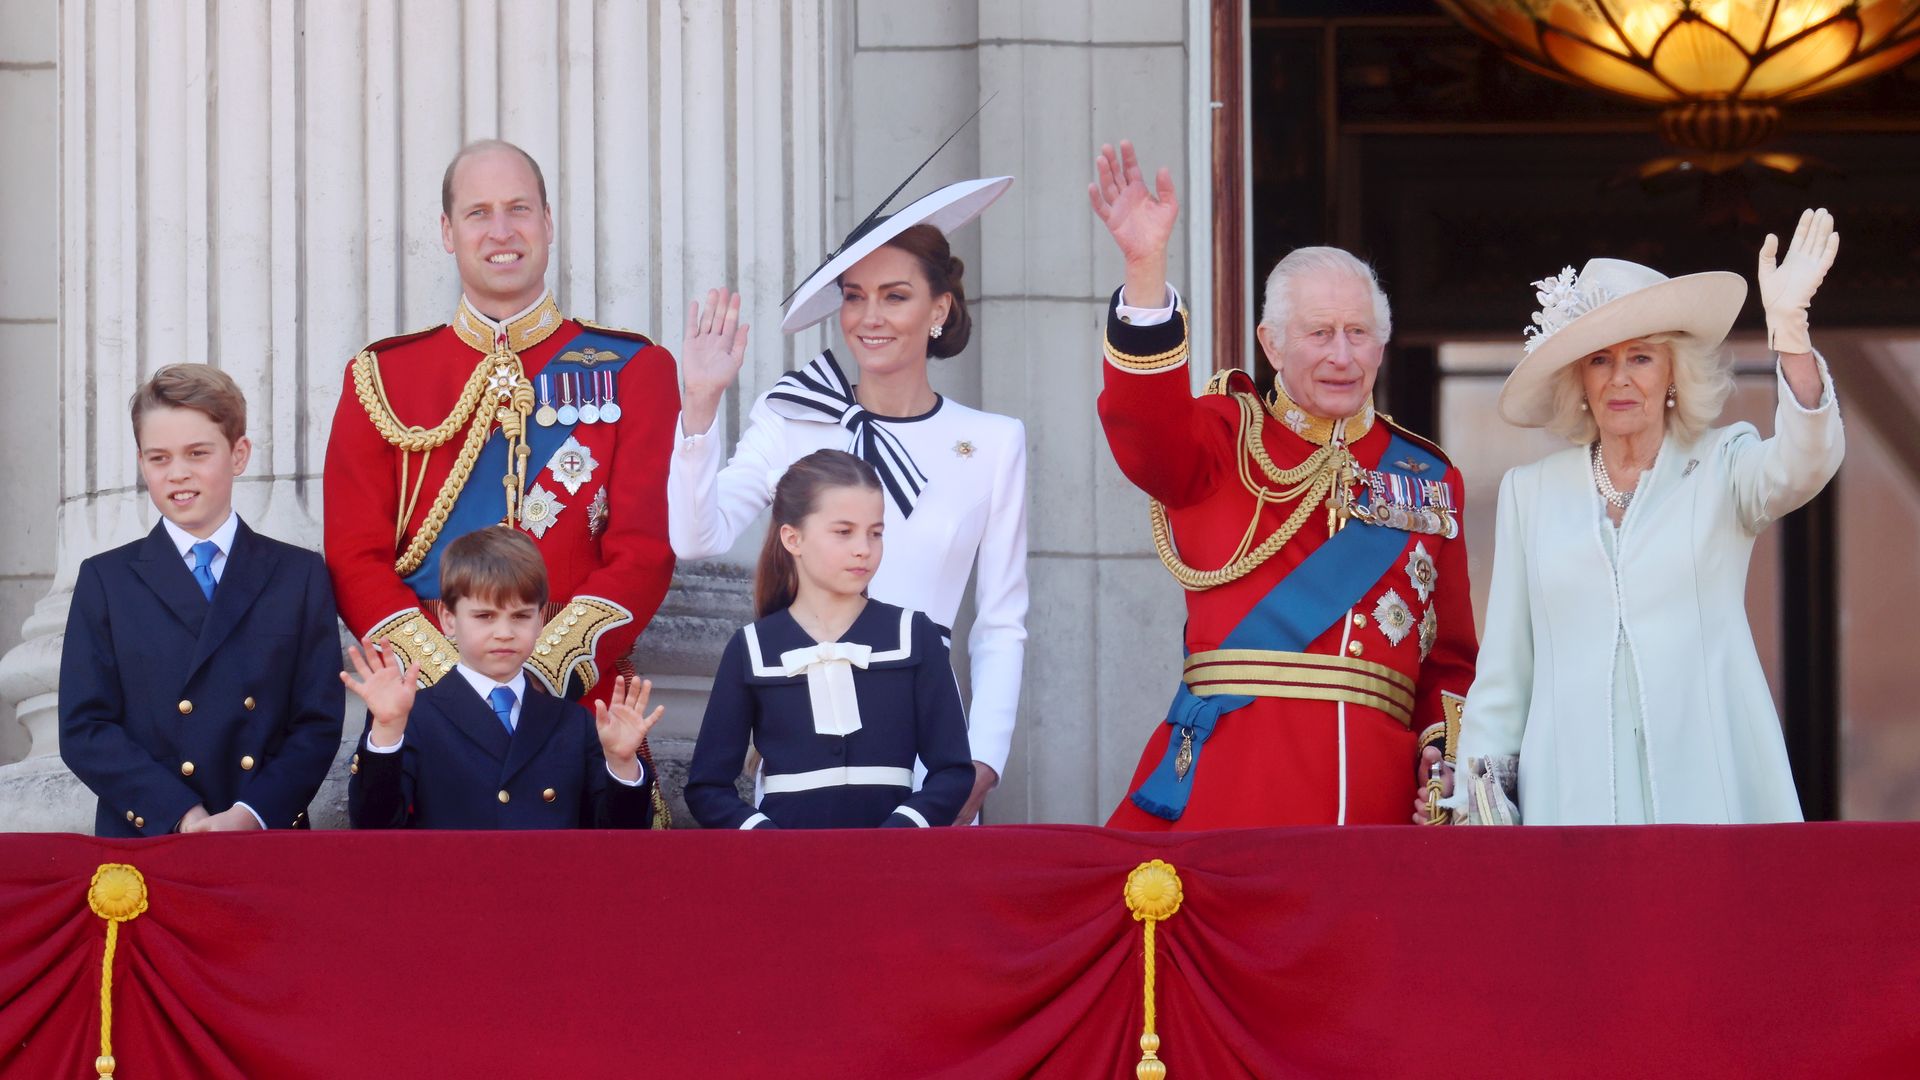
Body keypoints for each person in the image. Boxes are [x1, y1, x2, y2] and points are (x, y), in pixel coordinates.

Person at [1089, 140, 1478, 829]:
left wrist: (1439, 759)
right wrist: (1145, 270)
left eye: (1358, 333)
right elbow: (1144, 427)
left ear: (1382, 346)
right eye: (1319, 333)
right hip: (1232, 793)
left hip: (1376, 807)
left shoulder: (1428, 477)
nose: (1342, 355)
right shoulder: (1222, 439)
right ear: (1271, 344)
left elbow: (1449, 661)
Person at [1446, 210, 1844, 826]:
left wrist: (1790, 332)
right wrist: (1478, 811)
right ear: (1580, 380)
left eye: (1640, 358)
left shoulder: (1723, 464)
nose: (1620, 380)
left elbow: (1803, 464)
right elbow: (1504, 675)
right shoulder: (1532, 493)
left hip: (1707, 788)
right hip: (1571, 801)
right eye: (1600, 361)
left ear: (1673, 374)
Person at [669, 176, 1026, 824]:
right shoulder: (792, 415)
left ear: (939, 308)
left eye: (895, 296)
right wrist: (699, 407)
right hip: (802, 744)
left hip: (931, 753)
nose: (870, 317)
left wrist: (981, 763)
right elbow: (697, 537)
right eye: (855, 296)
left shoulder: (994, 442)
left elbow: (1000, 621)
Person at [322, 139, 678, 727]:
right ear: (448, 231)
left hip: (575, 706)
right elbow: (354, 556)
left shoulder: (634, 370)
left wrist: (539, 672)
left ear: (548, 222)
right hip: (426, 704)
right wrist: (449, 680)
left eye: (518, 209)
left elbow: (643, 550)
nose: (501, 231)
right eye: (478, 213)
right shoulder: (381, 377)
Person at [59, 364, 344, 836]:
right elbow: (85, 728)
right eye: (159, 458)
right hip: (151, 838)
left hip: (264, 836)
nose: (178, 474)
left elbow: (317, 722)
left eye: (197, 453)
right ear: (141, 463)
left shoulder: (299, 575)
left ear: (238, 454)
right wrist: (179, 813)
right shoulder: (105, 580)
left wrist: (252, 814)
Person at [684, 450, 974, 829]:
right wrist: (766, 840)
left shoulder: (914, 635)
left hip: (895, 860)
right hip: (787, 861)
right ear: (793, 538)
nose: (863, 548)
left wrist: (901, 832)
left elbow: (953, 771)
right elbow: (707, 788)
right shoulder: (752, 648)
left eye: (875, 533)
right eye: (843, 532)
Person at [344, 527, 662, 829]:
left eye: (521, 616)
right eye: (485, 616)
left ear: (540, 620)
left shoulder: (574, 722)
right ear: (449, 619)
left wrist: (622, 764)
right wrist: (386, 733)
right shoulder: (414, 715)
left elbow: (618, 839)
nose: (504, 633)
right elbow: (375, 826)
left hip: (551, 871)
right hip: (451, 870)